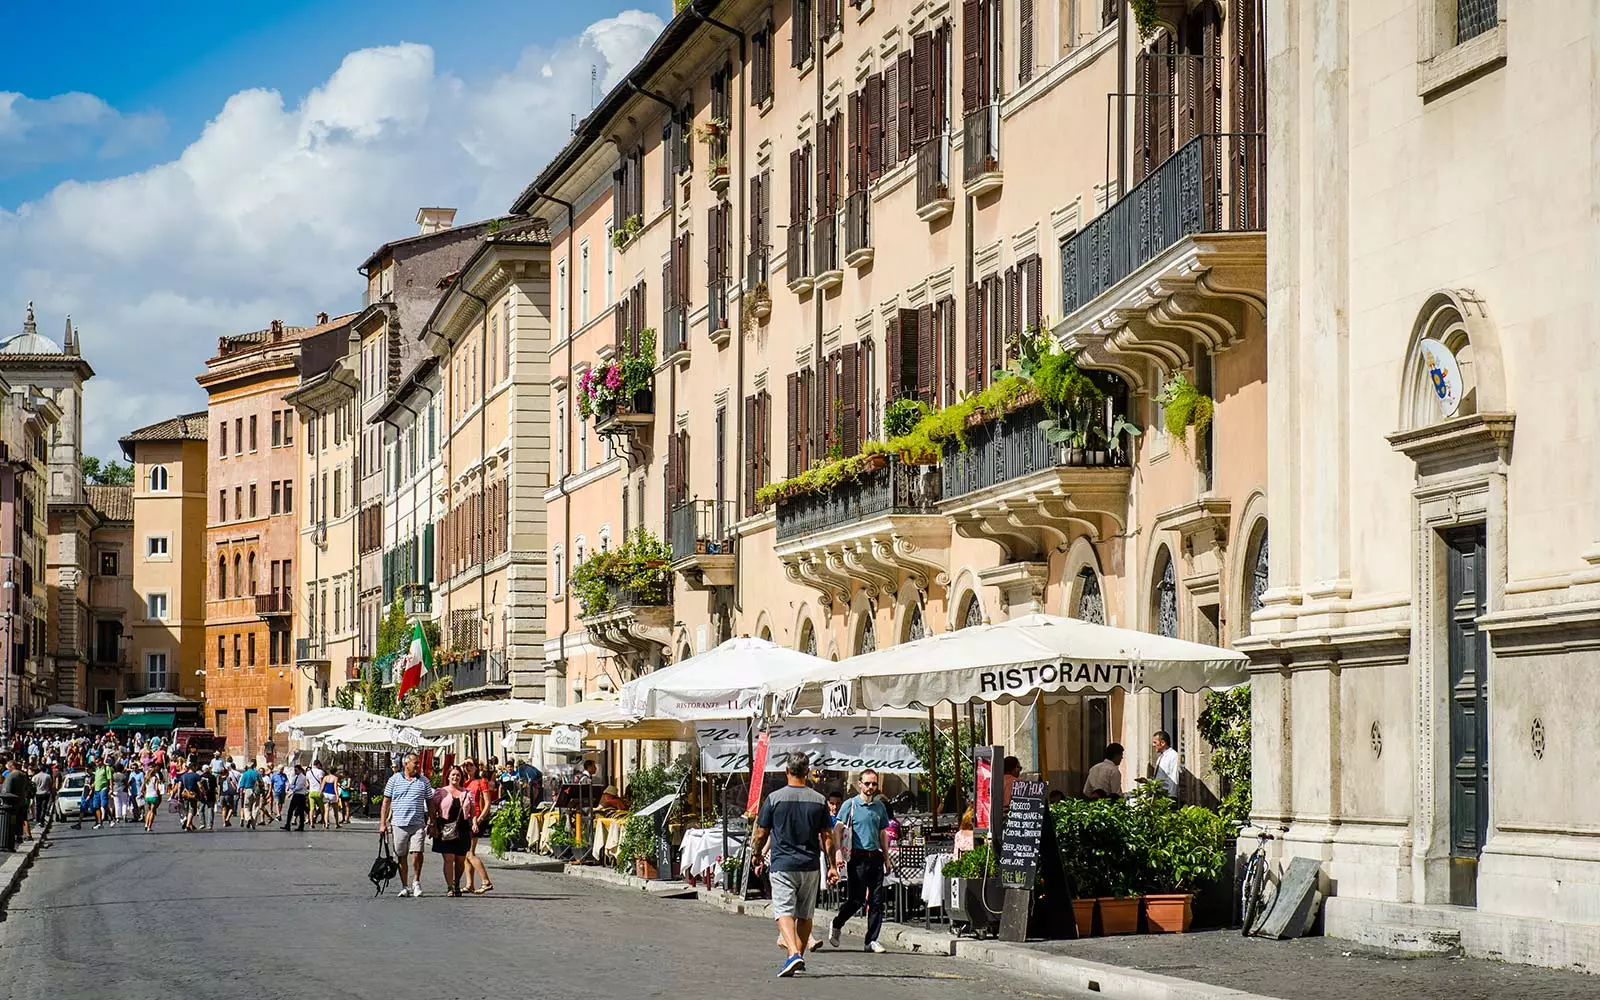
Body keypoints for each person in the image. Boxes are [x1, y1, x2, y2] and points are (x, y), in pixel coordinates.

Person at [751, 752, 838, 978]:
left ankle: (793, 954)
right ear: (807, 772)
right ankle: (798, 955)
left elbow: (761, 833)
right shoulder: (819, 800)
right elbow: (827, 837)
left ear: (787, 771)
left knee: (784, 912)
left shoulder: (774, 799)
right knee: (805, 914)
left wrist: (756, 853)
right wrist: (832, 866)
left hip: (783, 864)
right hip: (810, 865)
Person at [826, 768, 894, 953]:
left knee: (876, 900)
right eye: (868, 783)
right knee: (856, 900)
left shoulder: (879, 807)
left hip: (875, 857)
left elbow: (883, 833)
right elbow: (838, 830)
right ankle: (837, 922)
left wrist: (887, 858)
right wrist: (838, 853)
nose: (871, 787)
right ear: (860, 784)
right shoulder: (850, 805)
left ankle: (871, 940)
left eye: (874, 784)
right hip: (857, 858)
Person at [381, 754, 432, 898]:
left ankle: (416, 881)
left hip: (417, 823)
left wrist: (432, 821)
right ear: (406, 764)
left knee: (417, 853)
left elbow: (430, 802)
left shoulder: (424, 781)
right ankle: (405, 885)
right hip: (398, 823)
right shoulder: (394, 780)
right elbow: (386, 802)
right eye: (415, 763)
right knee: (401, 855)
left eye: (418, 763)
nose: (418, 766)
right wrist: (382, 823)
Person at [430, 765, 476, 897]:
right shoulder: (441, 792)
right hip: (445, 827)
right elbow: (433, 808)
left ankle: (457, 883)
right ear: (448, 777)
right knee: (449, 858)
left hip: (462, 828)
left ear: (461, 777)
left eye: (458, 775)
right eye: (453, 775)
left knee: (460, 859)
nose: (455, 777)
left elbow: (472, 809)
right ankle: (450, 887)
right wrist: (432, 824)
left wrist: (474, 823)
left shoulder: (467, 793)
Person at [463, 761, 495, 894]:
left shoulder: (481, 781)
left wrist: (481, 818)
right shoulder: (464, 783)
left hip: (476, 818)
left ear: (476, 767)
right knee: (466, 854)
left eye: (470, 764)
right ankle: (469, 884)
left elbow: (487, 803)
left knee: (470, 852)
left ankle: (486, 881)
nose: (467, 767)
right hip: (467, 818)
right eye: (465, 765)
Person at [1148, 731, 1180, 799]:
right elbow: (1160, 778)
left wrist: (1172, 797)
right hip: (1158, 795)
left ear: (1162, 743)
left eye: (1155, 742)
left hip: (1166, 796)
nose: (1153, 745)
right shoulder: (1161, 757)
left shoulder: (1173, 756)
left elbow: (1174, 777)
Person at [281, 765, 310, 832]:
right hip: (296, 794)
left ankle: (301, 826)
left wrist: (292, 789)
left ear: (300, 770)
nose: (295, 771)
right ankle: (287, 824)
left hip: (300, 795)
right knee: (290, 810)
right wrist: (291, 787)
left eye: (296, 770)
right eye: (295, 770)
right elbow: (291, 784)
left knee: (301, 811)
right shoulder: (295, 777)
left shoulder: (303, 777)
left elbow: (299, 786)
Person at [178, 761, 203, 832]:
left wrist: (179, 796)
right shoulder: (196, 775)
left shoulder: (183, 776)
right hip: (193, 794)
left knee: (187, 810)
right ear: (193, 767)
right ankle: (188, 825)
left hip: (185, 794)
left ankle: (190, 824)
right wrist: (202, 793)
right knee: (192, 810)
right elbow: (200, 786)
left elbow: (179, 787)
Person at [91, 756, 113, 829]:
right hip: (97, 789)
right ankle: (100, 822)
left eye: (98, 761)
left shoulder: (106, 768)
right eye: (96, 762)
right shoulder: (97, 769)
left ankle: (111, 819)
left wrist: (111, 788)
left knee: (104, 804)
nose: (97, 763)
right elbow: (97, 779)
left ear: (101, 761)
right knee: (96, 806)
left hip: (104, 788)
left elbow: (110, 778)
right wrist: (93, 784)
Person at [238, 760, 261, 830]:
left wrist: (241, 794)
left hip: (248, 790)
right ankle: (253, 824)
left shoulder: (245, 774)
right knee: (256, 807)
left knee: (246, 806)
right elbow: (261, 783)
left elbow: (241, 785)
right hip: (256, 791)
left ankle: (248, 818)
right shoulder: (257, 773)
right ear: (253, 766)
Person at [30, 763, 52, 828]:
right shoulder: (48, 776)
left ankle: (38, 819)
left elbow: (33, 786)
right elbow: (50, 785)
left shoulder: (35, 777)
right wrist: (52, 793)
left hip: (37, 794)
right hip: (45, 793)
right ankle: (41, 820)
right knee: (44, 807)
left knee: (38, 807)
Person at [142, 767, 163, 832]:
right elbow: (157, 789)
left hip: (147, 796)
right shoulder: (155, 778)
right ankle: (149, 827)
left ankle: (146, 824)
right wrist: (159, 795)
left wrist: (145, 794)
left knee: (149, 811)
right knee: (153, 812)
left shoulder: (146, 779)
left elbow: (142, 789)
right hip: (154, 796)